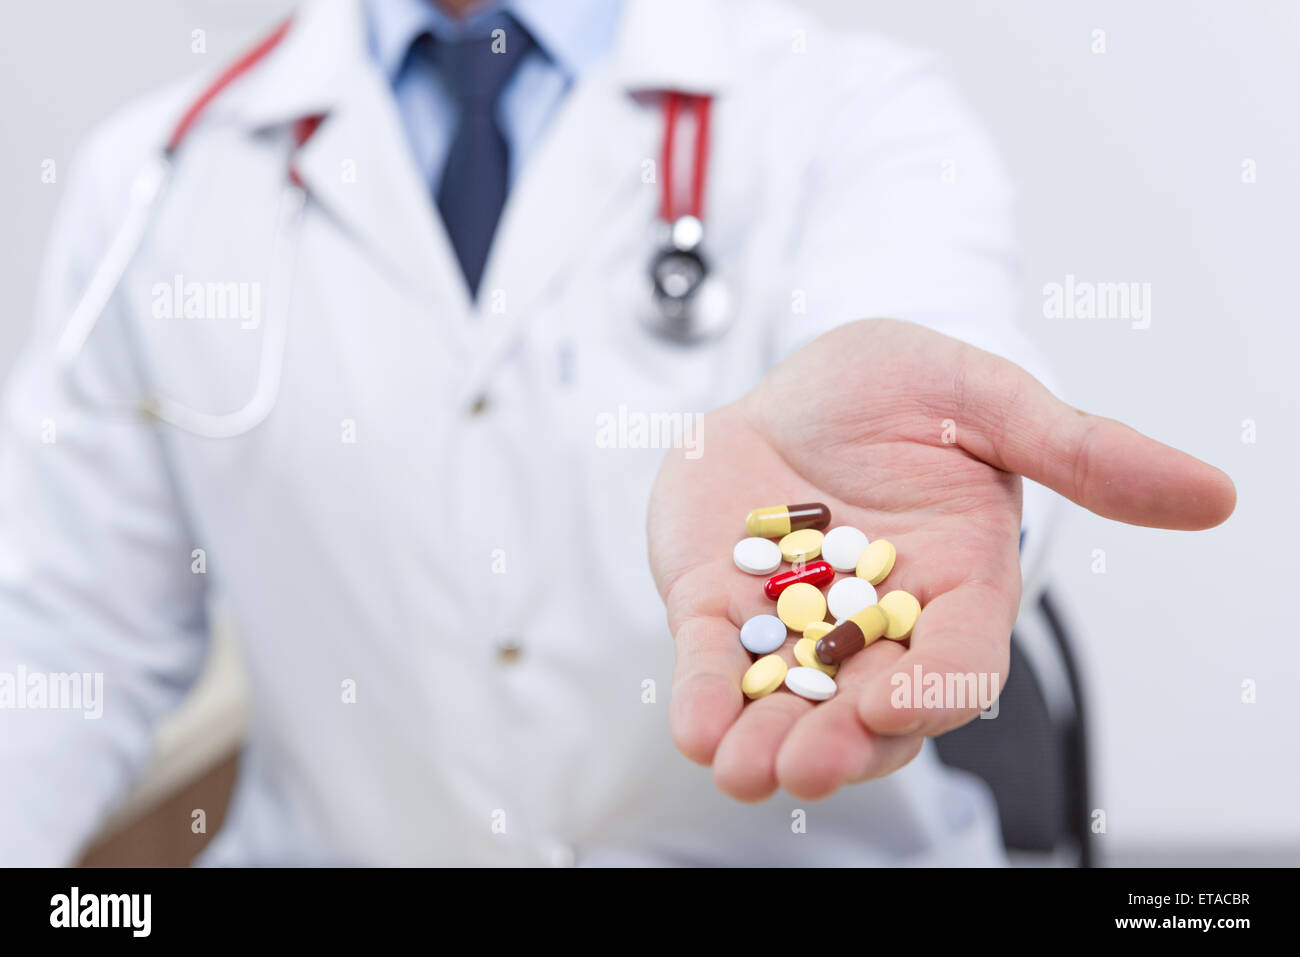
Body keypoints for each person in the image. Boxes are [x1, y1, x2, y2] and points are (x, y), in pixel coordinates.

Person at [0, 0, 1234, 866]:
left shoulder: (844, 111)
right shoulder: (155, 178)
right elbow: (57, 640)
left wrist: (940, 447)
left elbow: (932, 320)